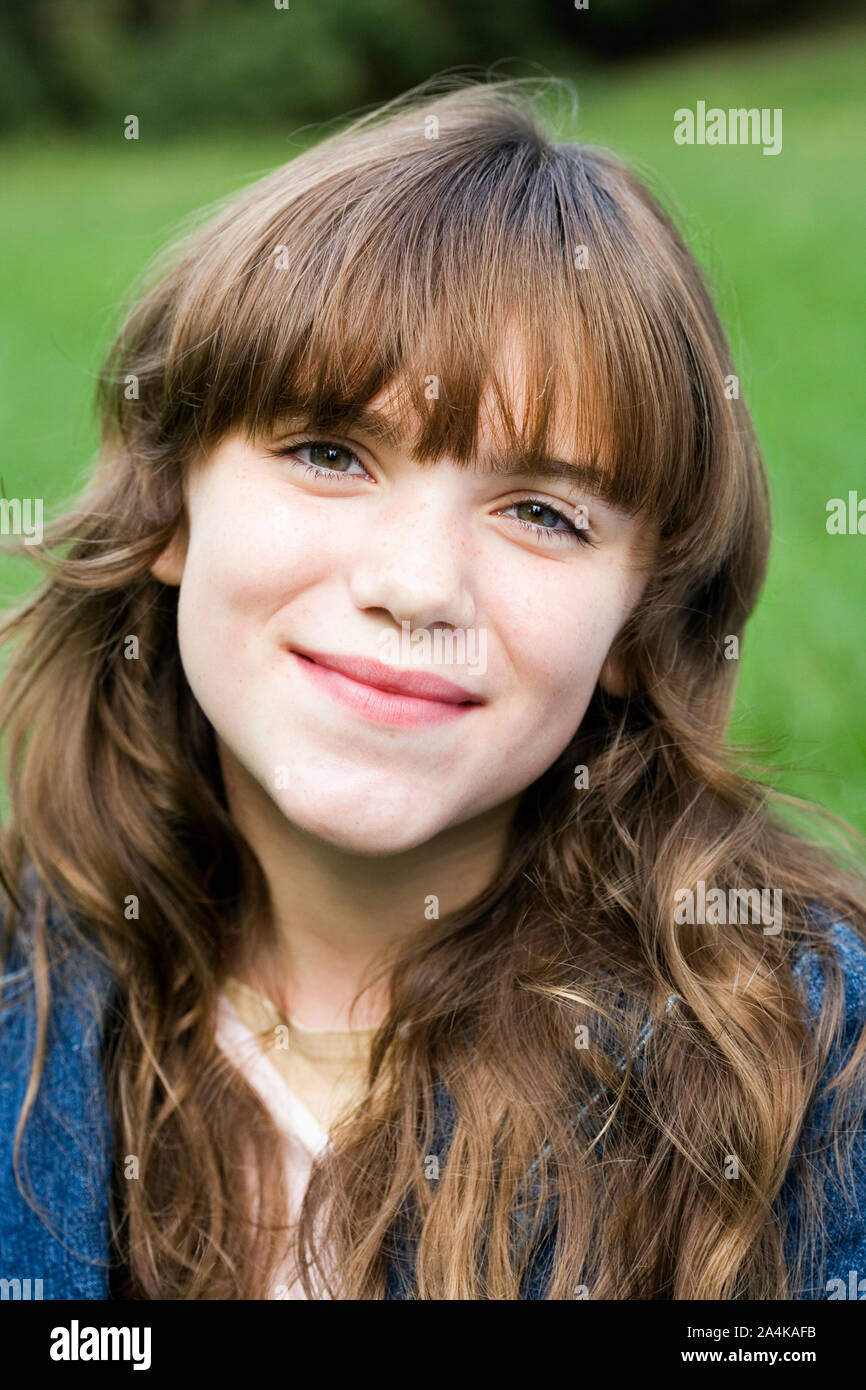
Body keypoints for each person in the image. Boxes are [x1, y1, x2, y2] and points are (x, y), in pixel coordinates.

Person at [1, 77, 864, 1301]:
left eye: (540, 514)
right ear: (170, 508)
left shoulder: (815, 1066)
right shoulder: (22, 1021)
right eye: (326, 452)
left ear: (634, 625)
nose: (414, 586)